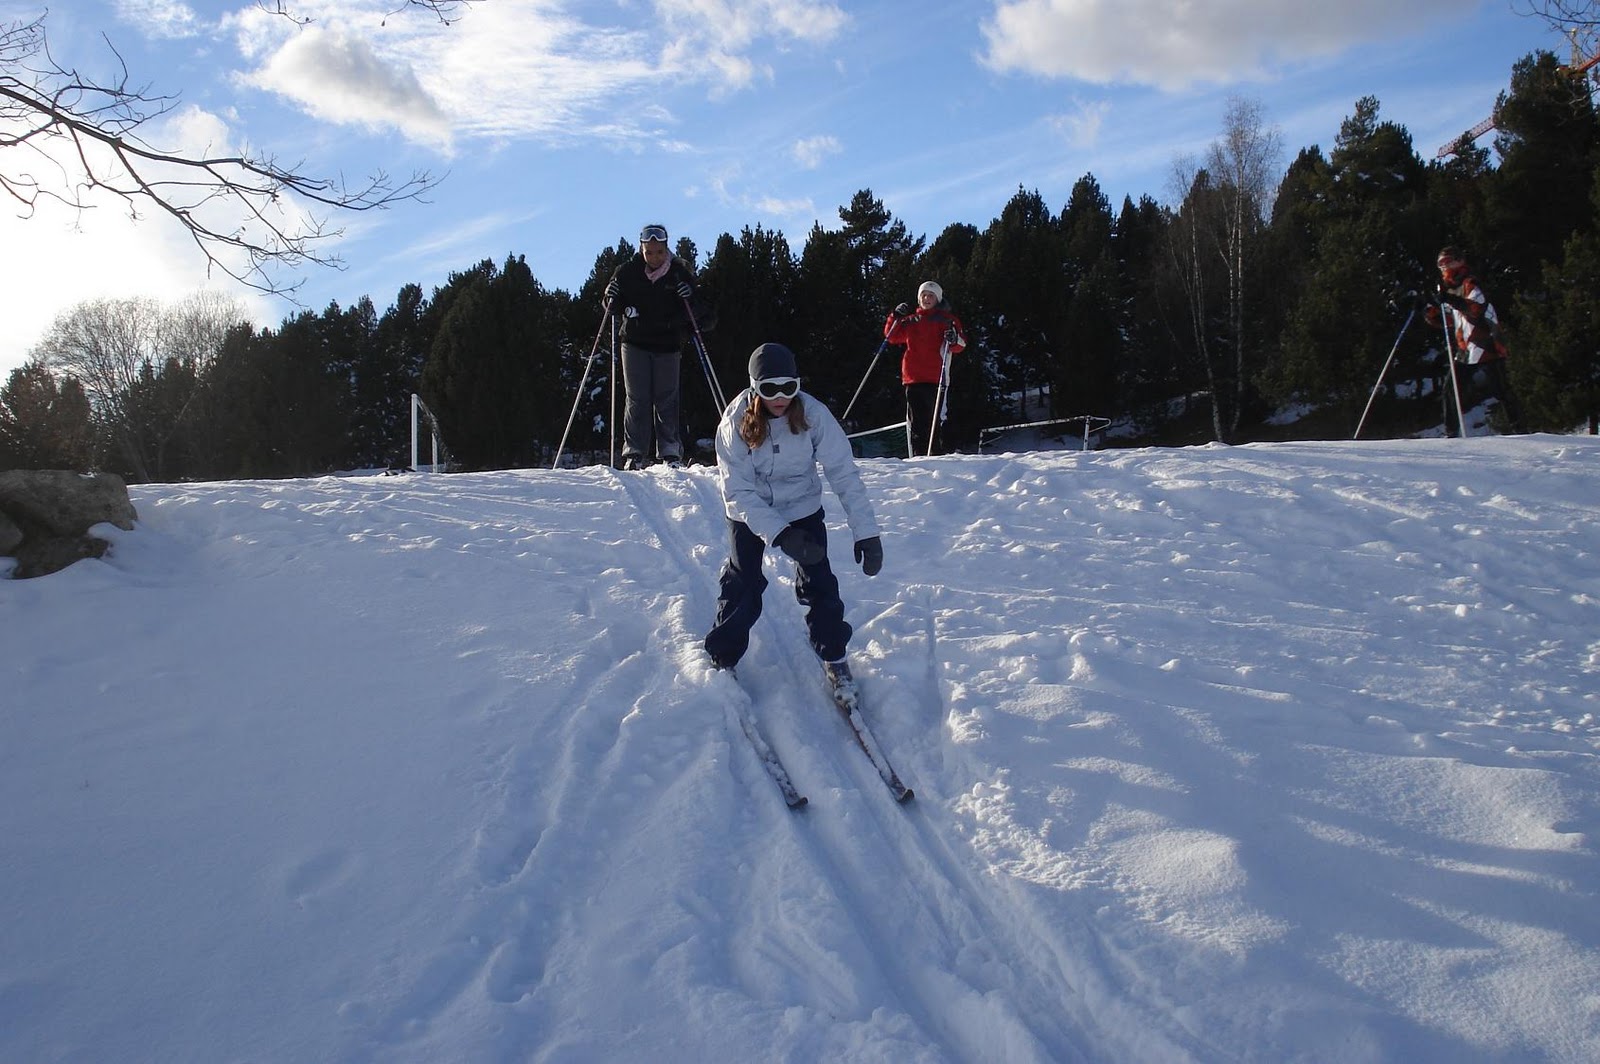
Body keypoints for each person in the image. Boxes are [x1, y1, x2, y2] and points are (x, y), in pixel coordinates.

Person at [704, 342, 884, 691]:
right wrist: (782, 535)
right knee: (744, 582)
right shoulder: (735, 421)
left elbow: (844, 473)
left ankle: (834, 655)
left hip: (802, 505)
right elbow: (737, 491)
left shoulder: (813, 415)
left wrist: (867, 532)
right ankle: (724, 656)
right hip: (750, 510)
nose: (780, 397)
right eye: (769, 388)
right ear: (755, 388)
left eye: (789, 387)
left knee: (820, 580)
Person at [602, 224, 703, 469]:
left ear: (666, 249)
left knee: (667, 398)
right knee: (637, 397)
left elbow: (697, 308)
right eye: (649, 252)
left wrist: (689, 295)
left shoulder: (679, 272)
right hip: (634, 342)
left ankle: (670, 452)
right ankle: (634, 453)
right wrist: (609, 297)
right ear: (642, 249)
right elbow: (613, 306)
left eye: (659, 252)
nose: (654, 258)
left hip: (668, 344)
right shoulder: (627, 271)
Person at [1424, 246, 1520, 435]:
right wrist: (1428, 312)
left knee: (1501, 390)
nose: (1445, 267)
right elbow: (1451, 320)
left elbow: (1476, 309)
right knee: (1450, 390)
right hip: (1466, 349)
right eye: (1441, 264)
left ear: (1460, 261)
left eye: (1448, 262)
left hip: (1487, 345)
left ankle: (1520, 429)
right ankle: (1451, 433)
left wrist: (1450, 300)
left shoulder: (1471, 283)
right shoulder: (1450, 289)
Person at [883, 280, 966, 456]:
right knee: (917, 420)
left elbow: (960, 345)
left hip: (936, 377)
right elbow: (892, 336)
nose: (927, 299)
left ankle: (938, 452)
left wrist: (953, 339)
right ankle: (920, 454)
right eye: (924, 295)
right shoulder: (911, 320)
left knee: (936, 417)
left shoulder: (946, 320)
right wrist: (895, 316)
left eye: (931, 296)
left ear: (938, 299)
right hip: (913, 377)